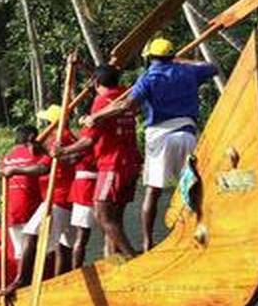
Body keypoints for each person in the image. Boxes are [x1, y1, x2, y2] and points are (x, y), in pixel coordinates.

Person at [84, 39, 214, 251]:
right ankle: (198, 231)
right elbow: (211, 67)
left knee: (153, 191)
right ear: (171, 56)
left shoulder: (149, 76)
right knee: (192, 187)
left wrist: (96, 116)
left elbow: (127, 105)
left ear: (150, 58)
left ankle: (147, 242)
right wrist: (179, 60)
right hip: (188, 134)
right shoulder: (188, 72)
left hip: (161, 136)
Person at [61, 65, 141, 258]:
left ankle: (132, 258)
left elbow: (88, 141)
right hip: (131, 163)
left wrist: (62, 151)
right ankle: (116, 258)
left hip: (113, 164)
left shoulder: (102, 101)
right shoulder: (126, 97)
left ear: (97, 83)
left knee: (102, 215)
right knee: (115, 218)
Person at [0, 125, 48, 295]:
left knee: (21, 252)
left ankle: (21, 284)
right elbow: (44, 168)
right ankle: (27, 282)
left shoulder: (8, 156)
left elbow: (0, 174)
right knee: (40, 248)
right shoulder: (35, 153)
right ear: (32, 137)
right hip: (30, 207)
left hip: (11, 210)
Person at [31, 104, 76, 277]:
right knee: (63, 247)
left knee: (33, 235)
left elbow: (43, 167)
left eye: (48, 123)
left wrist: (13, 170)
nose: (45, 127)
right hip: (67, 198)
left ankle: (32, 279)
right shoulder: (67, 137)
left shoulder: (60, 139)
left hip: (58, 197)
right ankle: (62, 279)